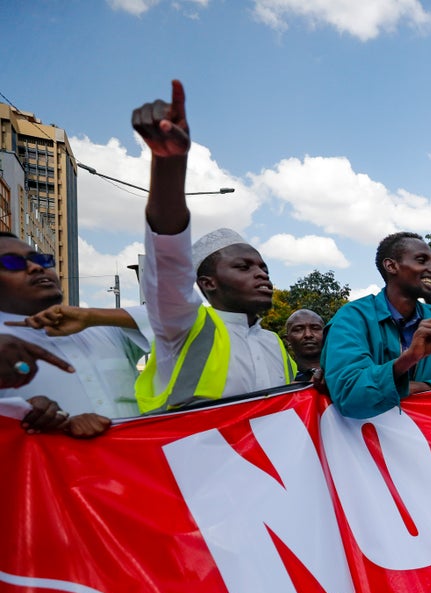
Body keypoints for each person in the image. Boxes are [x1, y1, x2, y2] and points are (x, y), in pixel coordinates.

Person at [133, 81, 296, 414]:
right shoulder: (182, 326)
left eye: (263, 267)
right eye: (243, 267)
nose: (262, 275)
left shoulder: (274, 343)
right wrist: (169, 165)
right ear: (208, 282)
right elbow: (167, 260)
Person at [0, 232, 150, 437]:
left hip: (134, 456)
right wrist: (19, 415)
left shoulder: (101, 327)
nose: (36, 267)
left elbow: (179, 316)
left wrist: (92, 316)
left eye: (41, 259)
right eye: (12, 263)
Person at [322, 231, 431, 419]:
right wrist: (407, 360)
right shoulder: (351, 318)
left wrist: (423, 387)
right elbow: (349, 396)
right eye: (421, 260)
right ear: (391, 266)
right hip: (367, 437)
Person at [284, 309, 324, 383]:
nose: (308, 334)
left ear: (326, 335)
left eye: (315, 328)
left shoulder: (341, 372)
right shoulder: (281, 378)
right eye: (298, 329)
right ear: (288, 340)